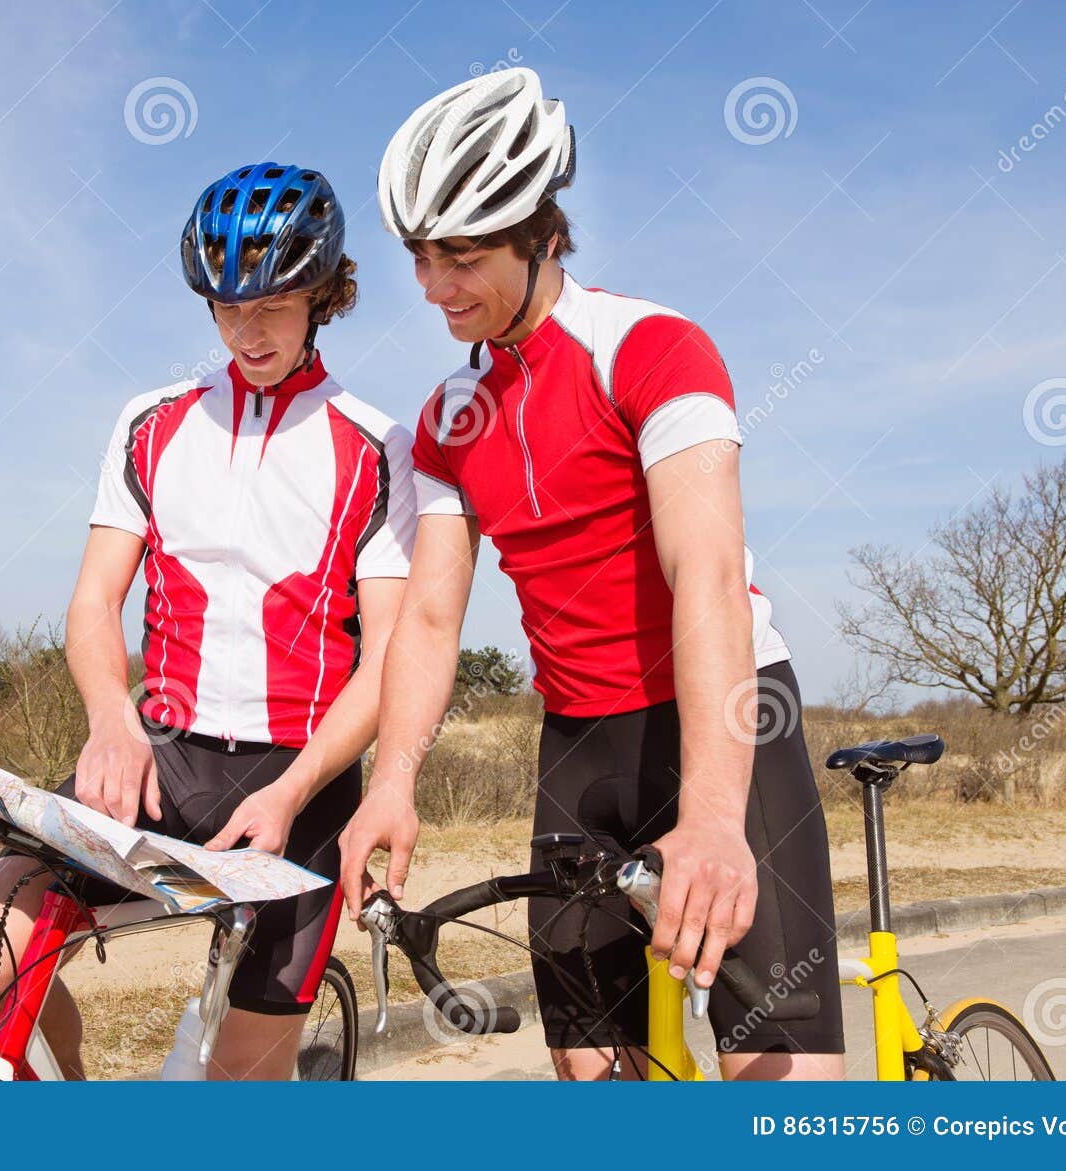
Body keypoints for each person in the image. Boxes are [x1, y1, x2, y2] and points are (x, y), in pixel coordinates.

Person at [339, 68, 845, 1080]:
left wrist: (708, 815)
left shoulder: (653, 349)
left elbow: (701, 570)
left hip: (720, 716)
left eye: (463, 256)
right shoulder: (446, 419)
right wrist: (389, 782)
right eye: (419, 257)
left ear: (542, 235)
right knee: (587, 1071)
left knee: (780, 1079)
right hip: (579, 741)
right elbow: (431, 623)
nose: (435, 287)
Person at [0, 161, 417, 1080]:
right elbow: (92, 600)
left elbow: (390, 657)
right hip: (156, 752)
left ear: (323, 295)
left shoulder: (377, 444)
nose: (251, 328)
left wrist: (294, 790)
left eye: (275, 303)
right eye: (228, 306)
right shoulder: (152, 421)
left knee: (240, 1094)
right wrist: (110, 719)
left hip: (300, 780)